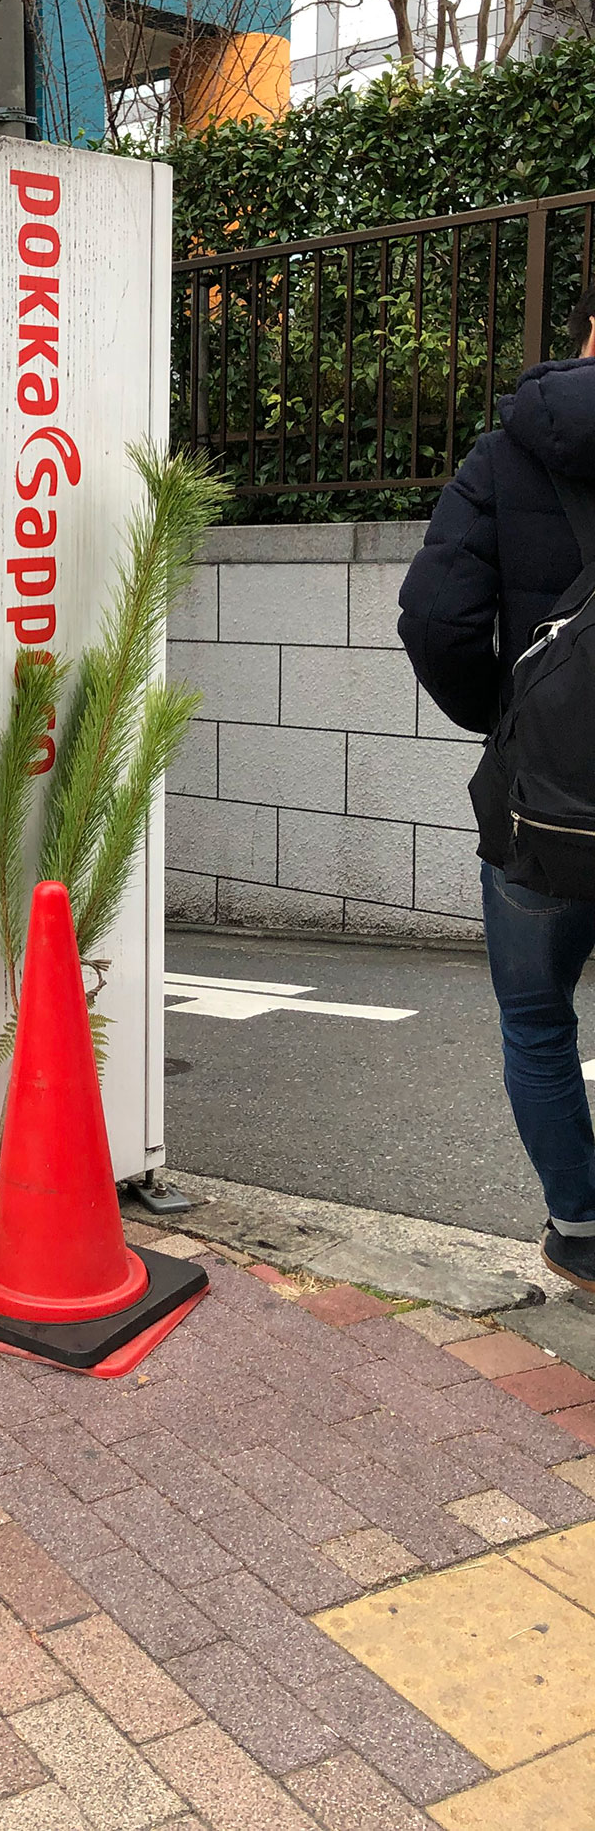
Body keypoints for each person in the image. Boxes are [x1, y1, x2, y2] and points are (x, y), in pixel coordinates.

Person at [400, 286, 595, 1288]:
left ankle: (582, 1229)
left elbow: (433, 622)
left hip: (542, 819)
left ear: (588, 333)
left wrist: (508, 723)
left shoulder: (503, 455)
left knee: (535, 1022)